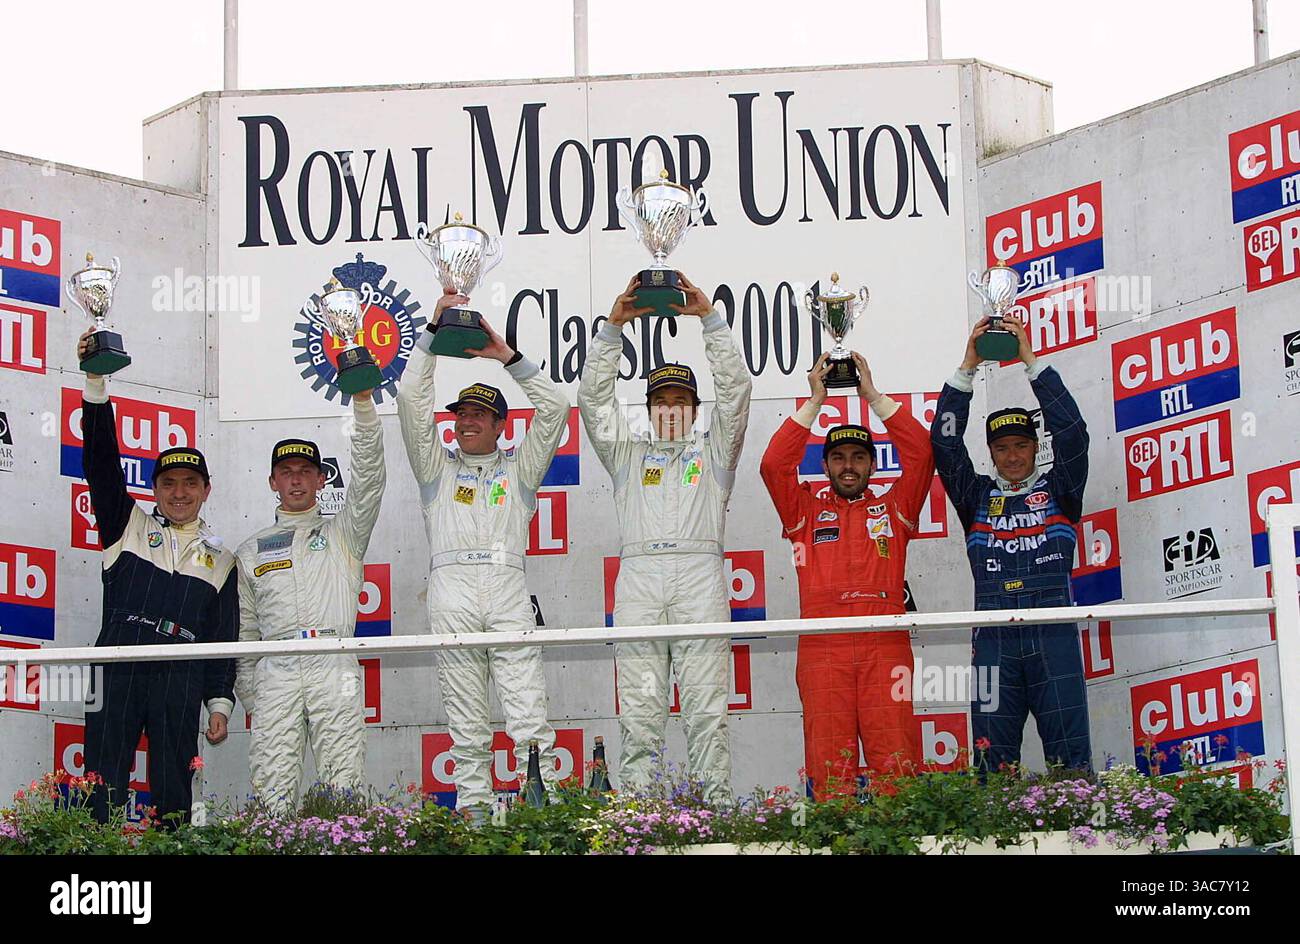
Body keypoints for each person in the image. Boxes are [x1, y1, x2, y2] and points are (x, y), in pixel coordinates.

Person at [577, 273, 752, 804]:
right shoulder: (627, 457)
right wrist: (611, 330)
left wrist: (711, 320)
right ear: (650, 410)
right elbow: (592, 401)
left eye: (681, 400)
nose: (671, 408)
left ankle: (717, 818)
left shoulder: (715, 453)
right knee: (640, 714)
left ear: (696, 410)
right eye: (661, 401)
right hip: (640, 584)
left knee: (707, 714)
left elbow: (737, 393)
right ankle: (636, 817)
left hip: (699, 581)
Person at [397, 289, 568, 815]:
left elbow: (556, 405)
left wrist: (508, 359)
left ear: (500, 425)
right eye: (461, 414)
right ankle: (473, 824)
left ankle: (541, 825)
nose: (467, 421)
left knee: (528, 722)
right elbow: (409, 399)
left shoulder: (521, 467)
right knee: (466, 724)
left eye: (480, 414)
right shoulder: (435, 467)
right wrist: (429, 333)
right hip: (452, 594)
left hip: (507, 591)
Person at [76, 329, 236, 826]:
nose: (180, 492)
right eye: (169, 483)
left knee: (172, 791)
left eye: (190, 483)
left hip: (180, 672)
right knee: (102, 782)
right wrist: (96, 384)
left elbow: (222, 640)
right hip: (119, 663)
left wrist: (220, 703)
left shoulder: (222, 559)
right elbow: (101, 465)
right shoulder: (127, 524)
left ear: (206, 490)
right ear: (156, 488)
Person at [760, 351, 933, 799]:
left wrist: (871, 395)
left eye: (859, 456)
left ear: (873, 466)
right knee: (828, 765)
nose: (849, 465)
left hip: (884, 642)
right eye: (838, 457)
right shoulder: (804, 511)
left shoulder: (894, 508)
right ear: (825, 466)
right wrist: (815, 400)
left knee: (896, 760)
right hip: (824, 646)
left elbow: (921, 454)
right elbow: (773, 465)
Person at [931, 316, 1092, 773]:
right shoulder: (976, 495)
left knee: (1071, 764)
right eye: (1002, 448)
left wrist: (1030, 362)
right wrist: (966, 367)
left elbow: (1074, 435)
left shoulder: (1061, 488)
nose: (1014, 455)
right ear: (991, 454)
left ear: (1034, 445)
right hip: (994, 640)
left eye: (1022, 445)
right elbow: (944, 444)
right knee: (990, 766)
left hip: (1053, 631)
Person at [233, 387, 386, 812]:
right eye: (286, 471)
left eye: (305, 470)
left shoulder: (343, 532)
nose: (296, 479)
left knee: (344, 786)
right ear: (273, 481)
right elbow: (244, 631)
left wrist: (362, 402)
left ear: (323, 479)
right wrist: (252, 695)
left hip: (331, 657)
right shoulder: (251, 549)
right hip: (275, 667)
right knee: (271, 791)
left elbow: (371, 479)